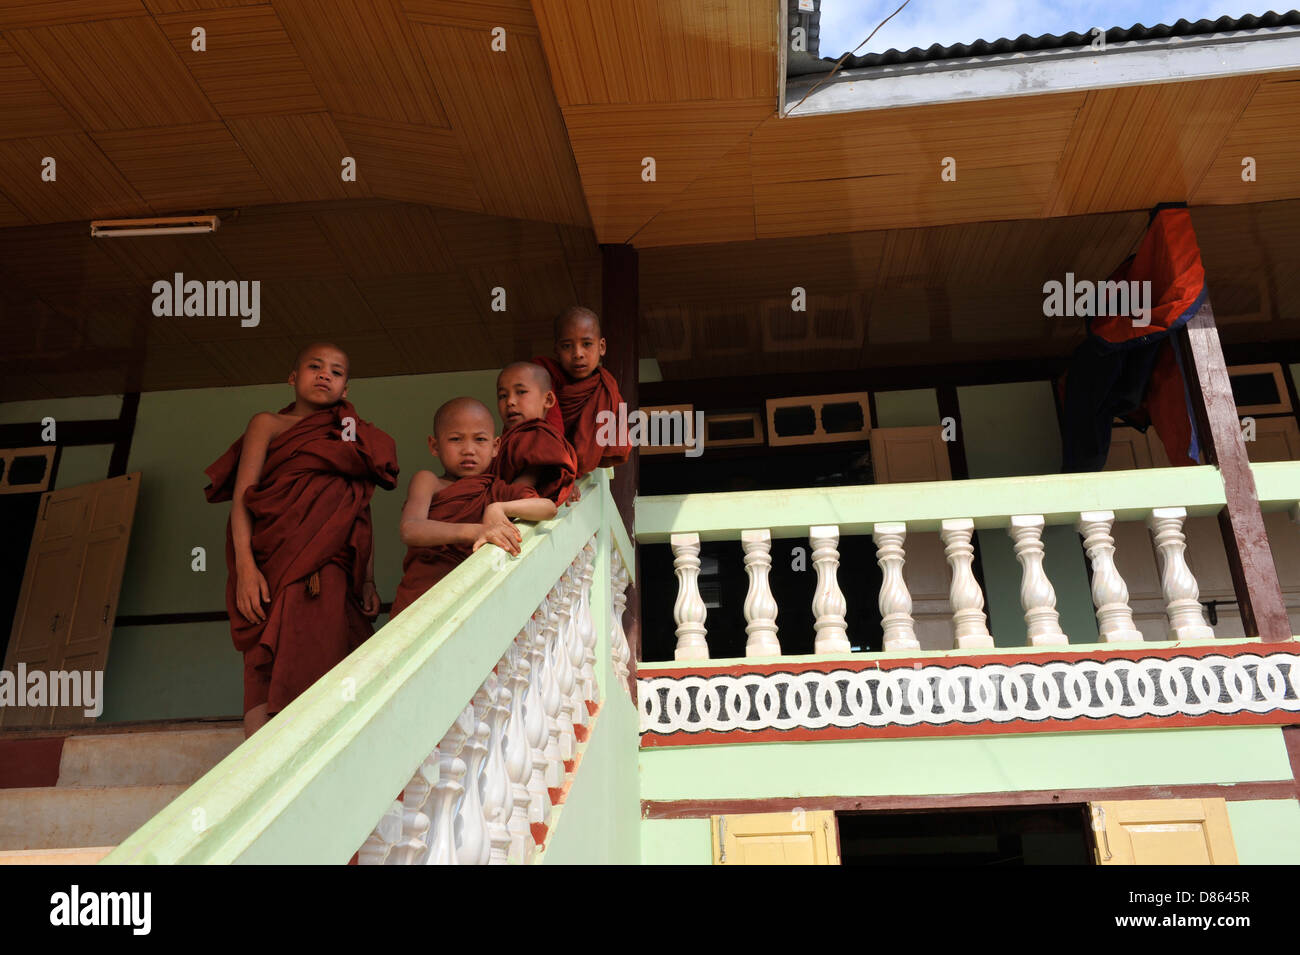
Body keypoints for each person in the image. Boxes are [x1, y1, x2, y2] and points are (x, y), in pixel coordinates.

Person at [205, 343, 398, 738]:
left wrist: (368, 579)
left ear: (346, 388)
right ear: (293, 378)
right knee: (265, 657)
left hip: (332, 570)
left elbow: (357, 509)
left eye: (336, 371)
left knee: (333, 660)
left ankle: (320, 759)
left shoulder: (349, 433)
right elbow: (244, 497)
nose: (325, 374)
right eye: (314, 366)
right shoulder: (267, 424)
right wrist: (245, 567)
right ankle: (260, 767)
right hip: (272, 561)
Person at [389, 397, 557, 619]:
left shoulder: (494, 490)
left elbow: (548, 508)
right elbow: (410, 528)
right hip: (423, 595)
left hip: (474, 596)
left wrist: (499, 508)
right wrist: (476, 531)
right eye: (456, 439)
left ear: (495, 446)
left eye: (480, 439)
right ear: (434, 446)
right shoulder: (428, 481)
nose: (468, 450)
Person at [533, 306, 631, 476]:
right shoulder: (543, 373)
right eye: (567, 346)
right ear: (556, 350)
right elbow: (549, 428)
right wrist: (562, 471)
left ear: (602, 347)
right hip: (541, 464)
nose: (578, 354)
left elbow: (614, 443)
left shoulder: (606, 388)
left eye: (586, 344)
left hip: (571, 469)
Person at [492, 361, 578, 505]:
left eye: (521, 392)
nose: (510, 401)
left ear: (548, 400)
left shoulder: (540, 436)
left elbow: (522, 487)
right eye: (502, 396)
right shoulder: (503, 441)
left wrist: (499, 505)